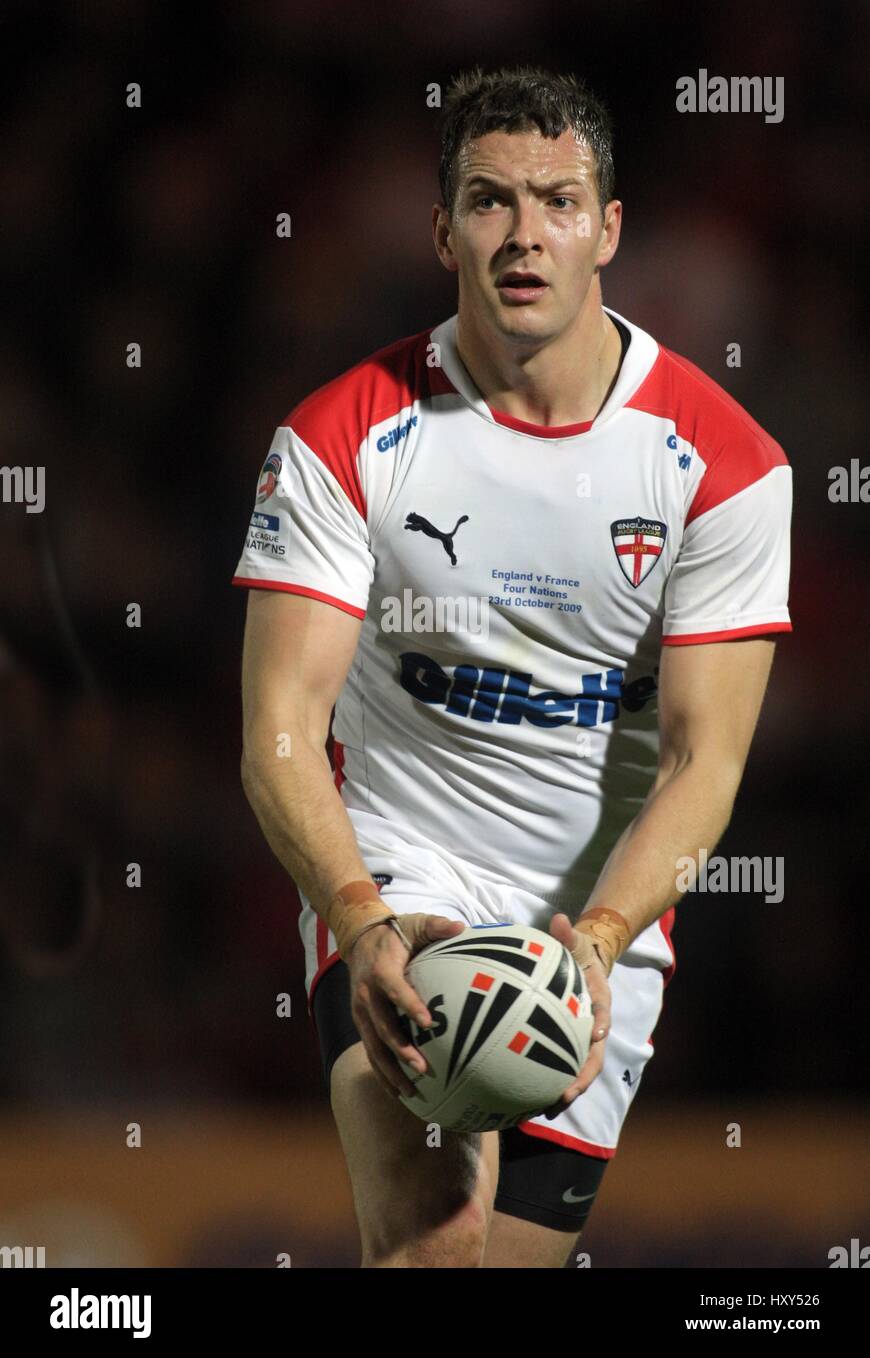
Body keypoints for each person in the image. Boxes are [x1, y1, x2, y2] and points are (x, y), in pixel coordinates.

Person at [232, 65, 792, 1268]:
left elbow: (708, 762)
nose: (524, 234)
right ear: (442, 231)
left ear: (609, 230)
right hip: (398, 866)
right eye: (488, 200)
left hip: (602, 915)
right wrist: (358, 912)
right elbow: (280, 726)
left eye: (558, 201)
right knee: (437, 1242)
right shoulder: (341, 436)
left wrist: (591, 945)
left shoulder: (727, 464)